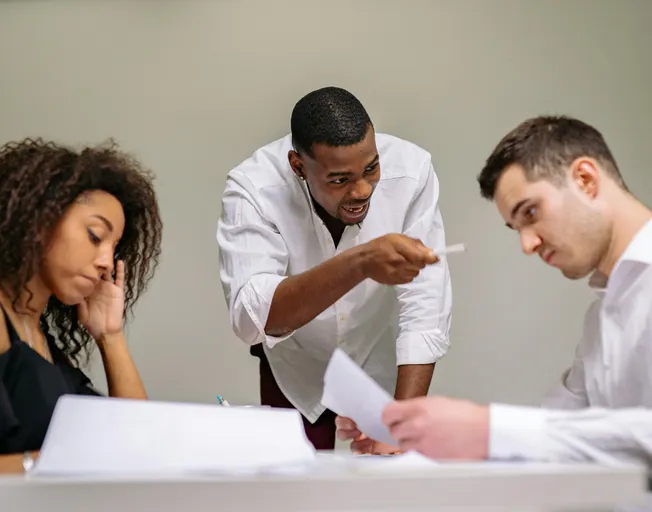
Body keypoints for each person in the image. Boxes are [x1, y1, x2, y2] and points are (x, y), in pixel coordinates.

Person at [338, 115, 652, 464]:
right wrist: (419, 430)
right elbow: (562, 431)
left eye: (531, 212)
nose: (528, 244)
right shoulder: (603, 317)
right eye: (515, 227)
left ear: (585, 179)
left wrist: (484, 429)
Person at [217, 86, 452, 452]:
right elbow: (251, 320)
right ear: (299, 165)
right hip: (295, 363)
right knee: (297, 491)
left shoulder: (411, 172)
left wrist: (401, 427)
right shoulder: (254, 188)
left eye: (371, 169)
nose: (361, 190)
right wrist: (361, 262)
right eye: (340, 180)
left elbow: (425, 306)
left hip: (378, 347)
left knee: (386, 486)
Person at [0, 138, 162, 473]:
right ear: (39, 219)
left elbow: (138, 439)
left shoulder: (41, 338)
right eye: (94, 235)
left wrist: (110, 335)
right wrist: (51, 465)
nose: (106, 261)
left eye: (114, 247)